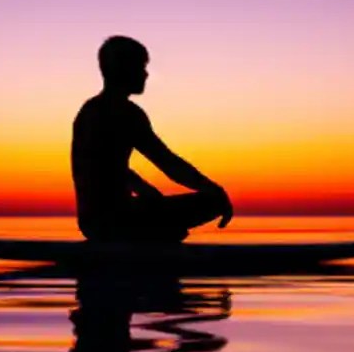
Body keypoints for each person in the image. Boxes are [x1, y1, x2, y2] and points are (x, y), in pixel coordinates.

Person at [71, 36, 233, 242]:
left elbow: (113, 168)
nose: (146, 74)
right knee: (212, 201)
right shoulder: (120, 113)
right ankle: (158, 234)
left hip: (92, 223)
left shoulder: (91, 111)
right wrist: (216, 192)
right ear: (123, 69)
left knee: (167, 214)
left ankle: (160, 233)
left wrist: (150, 195)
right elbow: (168, 162)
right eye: (141, 66)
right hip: (114, 221)